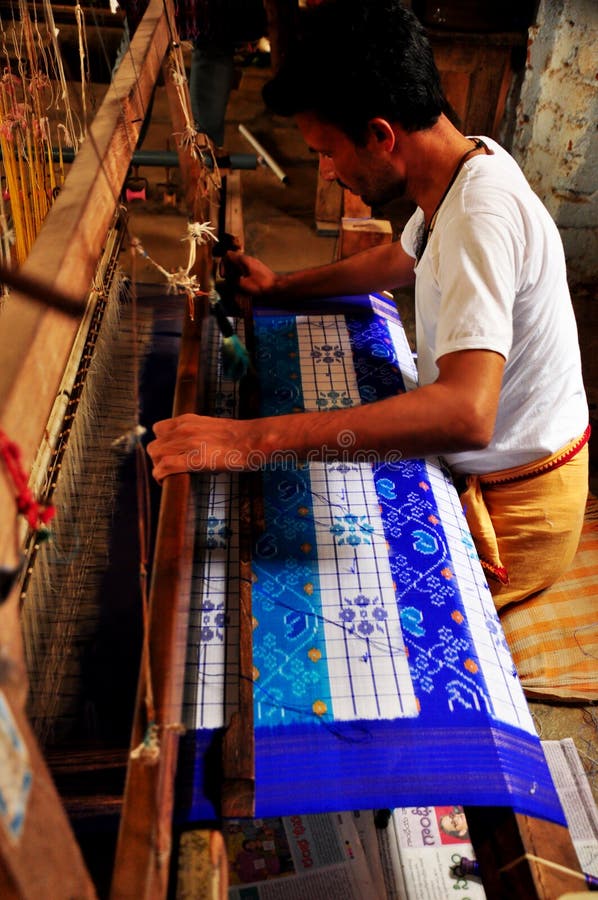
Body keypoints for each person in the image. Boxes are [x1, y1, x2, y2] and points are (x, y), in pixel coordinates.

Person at [147, 0, 589, 613]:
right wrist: (282, 288)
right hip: (503, 468)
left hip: (518, 505)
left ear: (381, 136)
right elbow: (401, 260)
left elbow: (466, 413)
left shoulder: (480, 214)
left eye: (327, 152)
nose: (326, 173)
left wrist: (252, 439)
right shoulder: (465, 161)